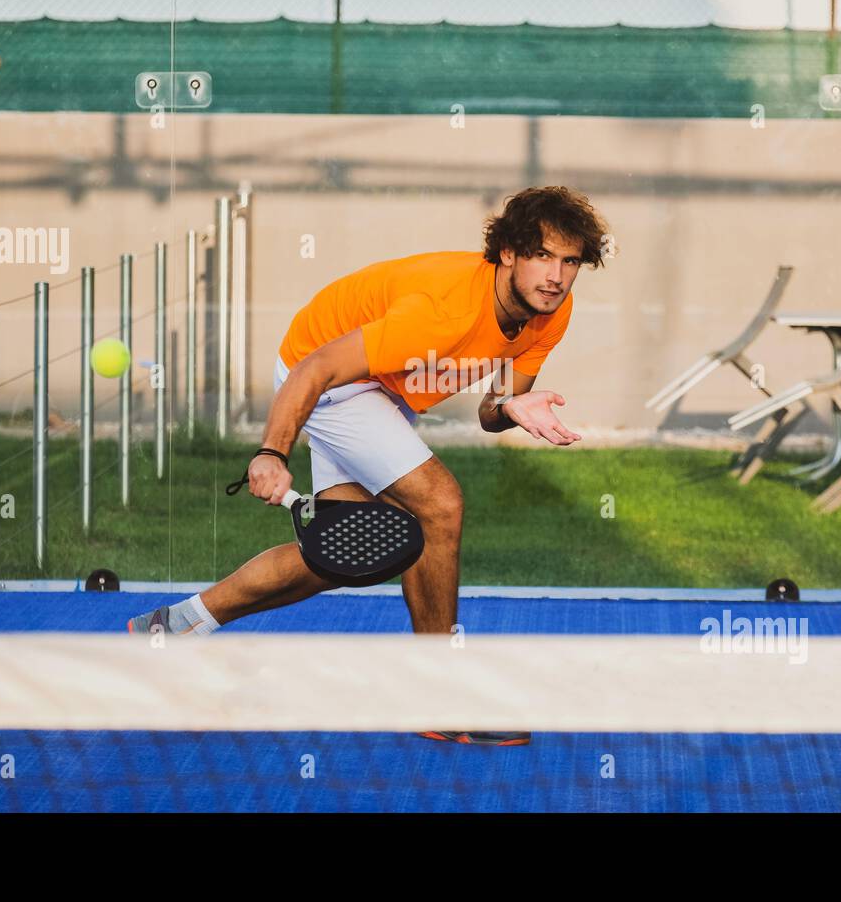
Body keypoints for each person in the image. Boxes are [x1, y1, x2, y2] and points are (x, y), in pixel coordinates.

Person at [130, 185, 611, 744]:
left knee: (346, 550)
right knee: (441, 505)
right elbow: (315, 369)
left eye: (570, 261)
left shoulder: (549, 313)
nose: (556, 275)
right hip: (332, 381)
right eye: (542, 256)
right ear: (508, 253)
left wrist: (509, 406)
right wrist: (271, 452)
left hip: (383, 390)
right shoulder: (444, 310)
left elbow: (489, 412)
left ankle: (175, 624)